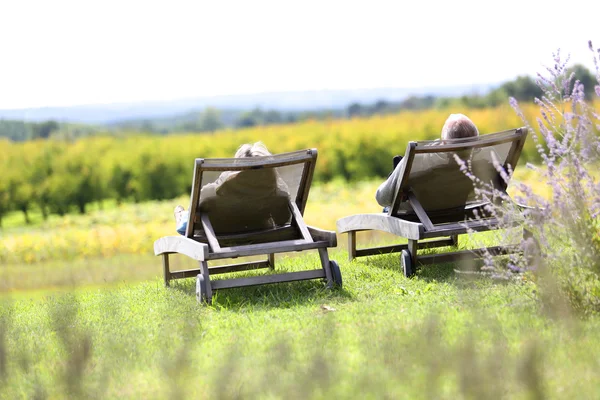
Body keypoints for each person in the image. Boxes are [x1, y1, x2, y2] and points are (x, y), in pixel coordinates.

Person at [375, 113, 479, 211]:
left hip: (418, 214)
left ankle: (396, 174)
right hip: (456, 210)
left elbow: (382, 198)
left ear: (443, 143)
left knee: (392, 198)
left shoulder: (418, 158)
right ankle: (397, 175)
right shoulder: (481, 163)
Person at [174, 142, 281, 235]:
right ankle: (182, 214)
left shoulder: (220, 190)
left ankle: (181, 215)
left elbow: (201, 199)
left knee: (188, 214)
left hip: (219, 233)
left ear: (236, 170)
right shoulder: (274, 194)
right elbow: (284, 217)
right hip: (259, 229)